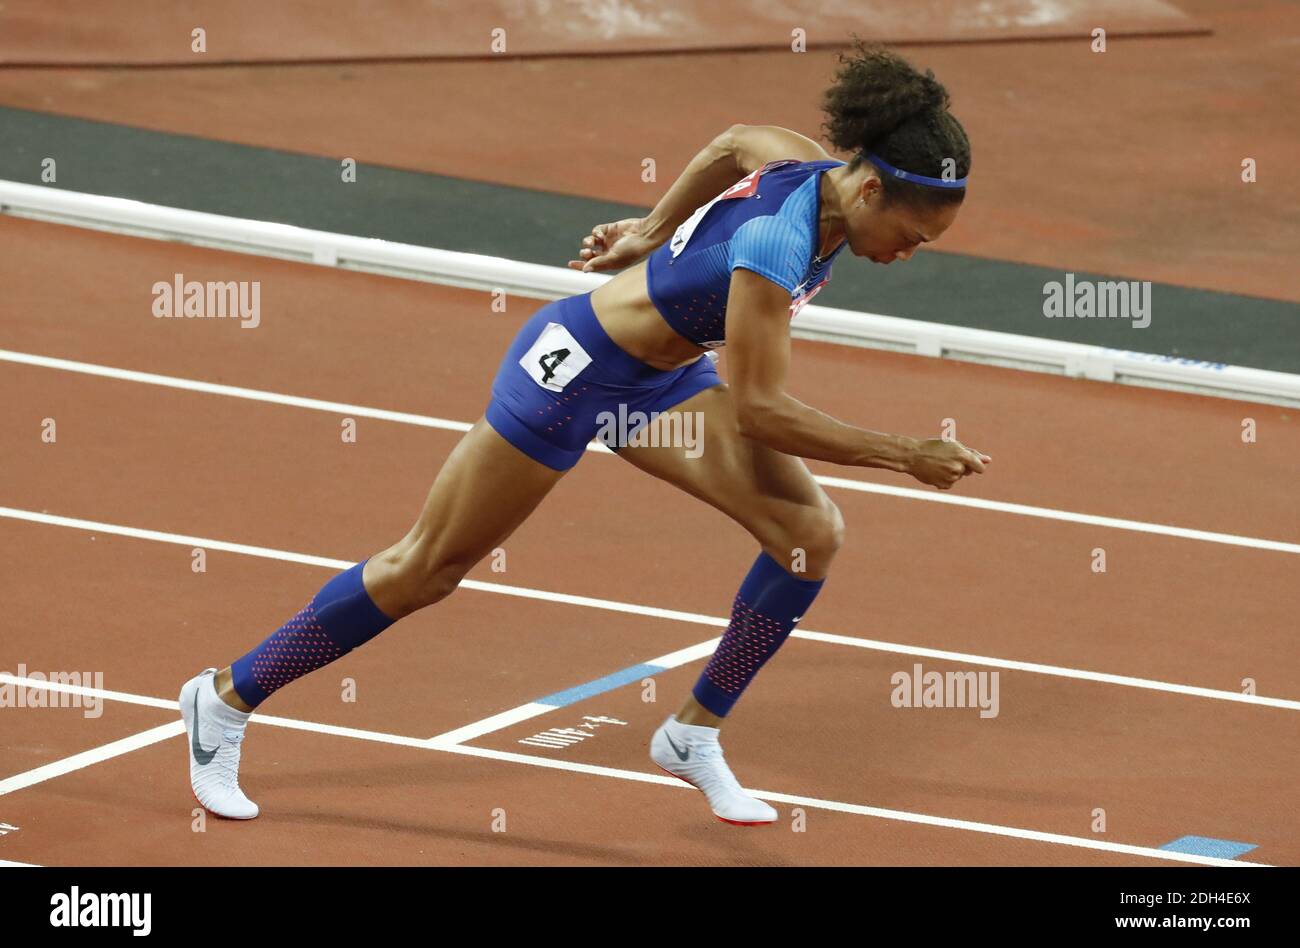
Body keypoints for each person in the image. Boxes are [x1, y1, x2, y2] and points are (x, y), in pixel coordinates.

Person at [180, 42, 989, 826]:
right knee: (428, 568)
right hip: (574, 373)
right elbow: (761, 411)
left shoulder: (806, 168)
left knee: (807, 532)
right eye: (915, 238)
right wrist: (904, 453)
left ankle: (690, 734)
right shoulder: (775, 244)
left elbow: (733, 140)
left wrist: (651, 227)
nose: (909, 256)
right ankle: (225, 697)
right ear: (874, 190)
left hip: (662, 382)